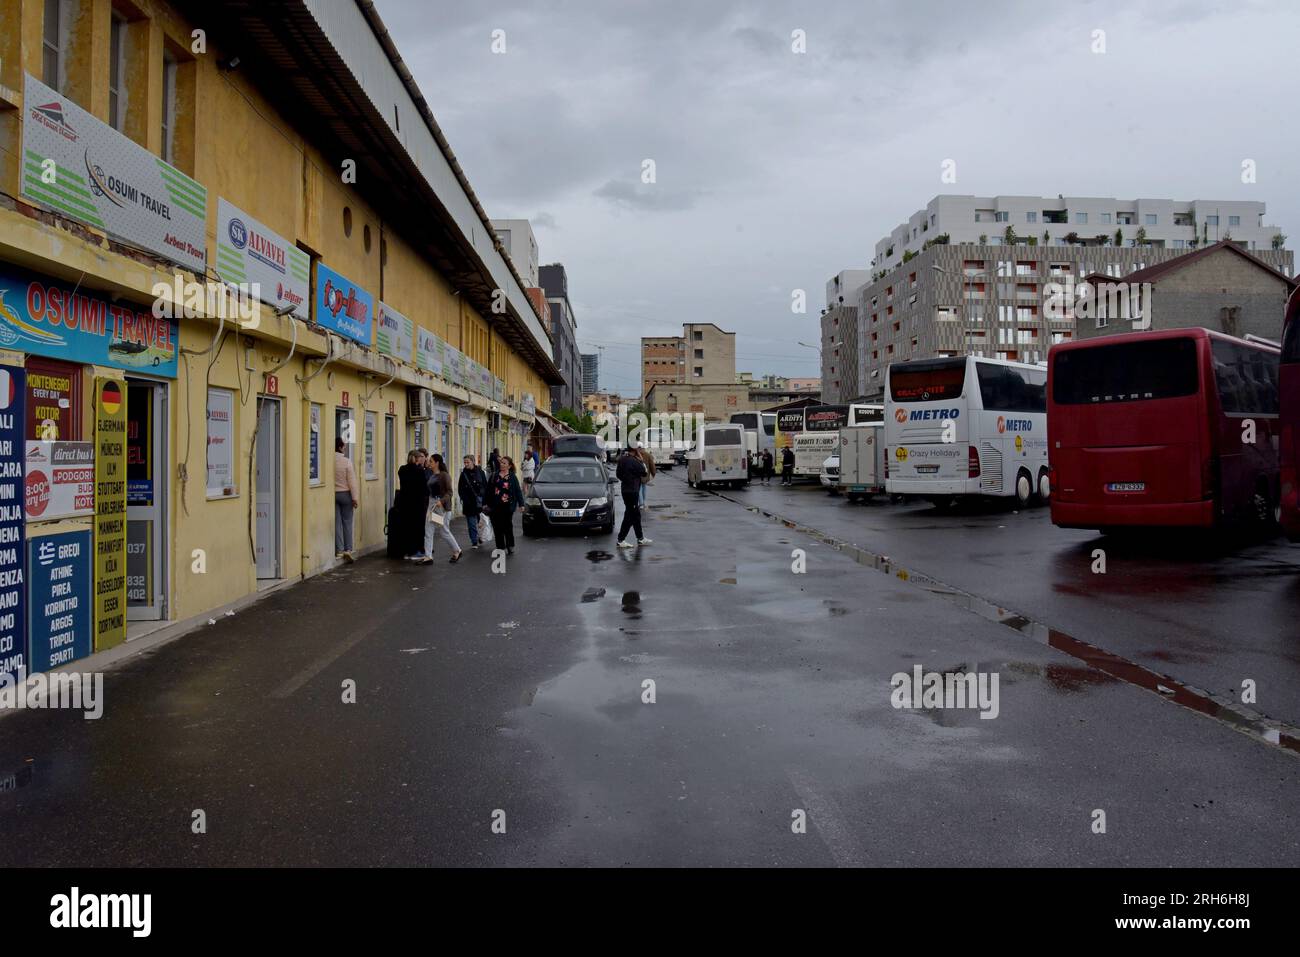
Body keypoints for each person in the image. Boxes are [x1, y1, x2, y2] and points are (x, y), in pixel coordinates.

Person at [423, 453, 462, 564]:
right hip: (432, 506)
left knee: (444, 531)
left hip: (441, 508)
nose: (429, 463)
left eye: (431, 461)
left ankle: (457, 550)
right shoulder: (431, 475)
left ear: (437, 463)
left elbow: (450, 492)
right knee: (428, 530)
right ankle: (428, 556)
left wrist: (441, 501)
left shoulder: (444, 475)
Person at [486, 455, 525, 554]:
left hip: (507, 506)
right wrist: (485, 503)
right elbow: (488, 490)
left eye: (504, 463)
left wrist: (521, 504)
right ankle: (500, 546)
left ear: (509, 466)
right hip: (495, 506)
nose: (502, 464)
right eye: (501, 462)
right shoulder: (494, 475)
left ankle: (510, 545)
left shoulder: (512, 477)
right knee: (497, 527)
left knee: (507, 526)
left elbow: (518, 491)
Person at [397, 450, 430, 560]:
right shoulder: (419, 470)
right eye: (420, 457)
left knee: (406, 527)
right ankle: (416, 551)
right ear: (416, 458)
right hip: (417, 503)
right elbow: (424, 488)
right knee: (418, 527)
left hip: (404, 502)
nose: (422, 459)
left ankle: (407, 551)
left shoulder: (402, 469)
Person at [616, 444, 651, 548]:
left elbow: (618, 474)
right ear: (635, 450)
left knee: (636, 515)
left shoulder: (622, 459)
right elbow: (644, 472)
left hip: (625, 490)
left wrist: (626, 480)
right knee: (630, 515)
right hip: (633, 491)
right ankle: (621, 539)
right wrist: (641, 459)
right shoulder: (634, 461)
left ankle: (640, 538)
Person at [334, 437, 359, 562]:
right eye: (344, 446)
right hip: (345, 494)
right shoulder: (346, 462)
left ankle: (339, 550)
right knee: (347, 522)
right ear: (340, 447)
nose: (345, 448)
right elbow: (352, 482)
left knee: (337, 523)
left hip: (333, 494)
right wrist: (355, 498)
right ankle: (347, 549)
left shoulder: (329, 460)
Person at [458, 454, 488, 549]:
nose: (466, 464)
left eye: (468, 462)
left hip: (480, 501)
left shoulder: (480, 472)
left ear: (473, 462)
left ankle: (481, 536)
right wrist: (464, 498)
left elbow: (485, 486)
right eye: (465, 462)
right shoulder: (463, 474)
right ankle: (474, 541)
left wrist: (485, 499)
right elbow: (460, 489)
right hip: (469, 503)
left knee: (481, 522)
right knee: (471, 524)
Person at [636, 443, 655, 507]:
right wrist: (653, 474)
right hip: (645, 475)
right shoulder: (648, 455)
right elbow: (652, 465)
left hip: (638, 475)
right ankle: (643, 502)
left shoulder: (636, 455)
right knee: (644, 488)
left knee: (639, 489)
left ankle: (641, 503)